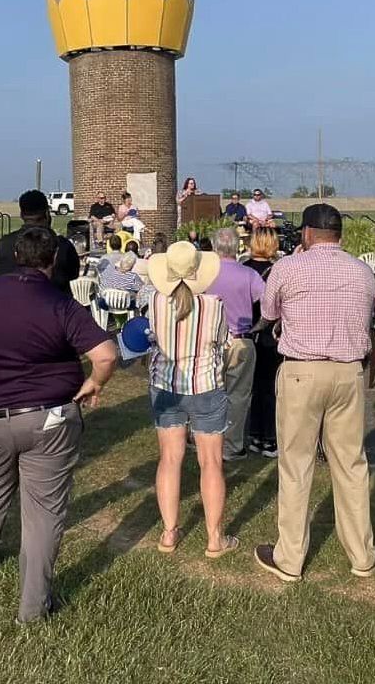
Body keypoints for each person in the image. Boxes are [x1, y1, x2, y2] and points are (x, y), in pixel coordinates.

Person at [0, 226, 117, 622]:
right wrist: (94, 383)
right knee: (42, 511)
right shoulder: (59, 303)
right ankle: (33, 605)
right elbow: (106, 354)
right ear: (52, 260)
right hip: (49, 419)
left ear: (15, 255)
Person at [253, 204, 375, 583]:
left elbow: (269, 311)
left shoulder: (288, 268)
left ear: (307, 234)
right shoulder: (362, 271)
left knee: (296, 464)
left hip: (301, 371)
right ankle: (361, 554)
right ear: (339, 234)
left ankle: (290, 557)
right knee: (351, 463)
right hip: (348, 372)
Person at [142, 240, 238, 559]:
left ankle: (169, 532)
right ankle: (214, 538)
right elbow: (223, 342)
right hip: (206, 384)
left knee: (170, 459)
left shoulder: (154, 302)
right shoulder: (215, 305)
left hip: (165, 385)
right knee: (211, 463)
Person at [205, 228, 266, 461]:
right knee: (238, 395)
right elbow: (266, 300)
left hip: (210, 340)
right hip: (241, 338)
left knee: (209, 392)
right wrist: (258, 325)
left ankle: (205, 437)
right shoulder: (248, 274)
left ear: (215, 246)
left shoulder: (206, 274)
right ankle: (231, 444)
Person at [0, 190, 80, 294]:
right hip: (54, 304)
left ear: (21, 214)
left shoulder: (4, 243)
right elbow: (73, 274)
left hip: (10, 304)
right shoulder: (61, 245)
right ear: (47, 213)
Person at [244, 228, 281, 457]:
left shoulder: (244, 269)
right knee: (269, 388)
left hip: (246, 331)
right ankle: (269, 437)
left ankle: (254, 433)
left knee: (254, 388)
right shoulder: (276, 271)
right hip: (267, 333)